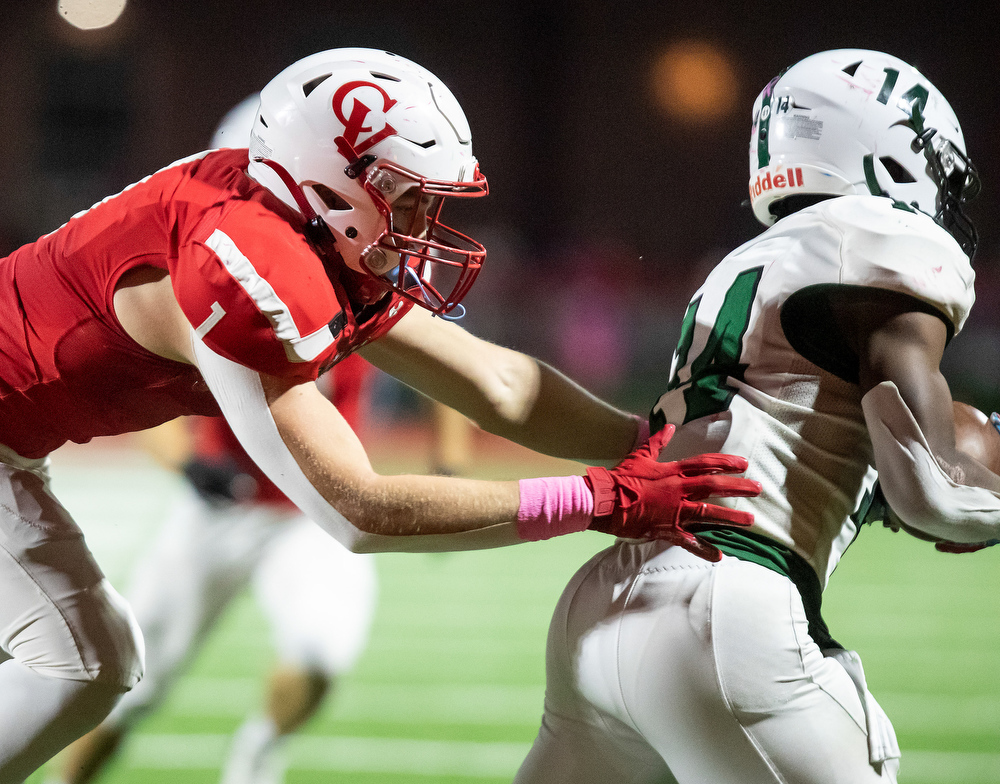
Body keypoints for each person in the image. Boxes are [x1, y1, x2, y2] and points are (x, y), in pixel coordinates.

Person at [0, 47, 760, 783]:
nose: (426, 221)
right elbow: (358, 510)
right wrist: (600, 501)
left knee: (86, 657)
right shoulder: (243, 263)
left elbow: (496, 382)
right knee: (85, 660)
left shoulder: (297, 226)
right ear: (331, 185)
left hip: (15, 444)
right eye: (410, 195)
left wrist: (649, 443)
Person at [513, 48, 999, 784]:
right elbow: (933, 491)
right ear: (891, 149)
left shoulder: (748, 262)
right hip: (726, 606)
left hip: (606, 600)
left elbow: (776, 435)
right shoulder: (878, 237)